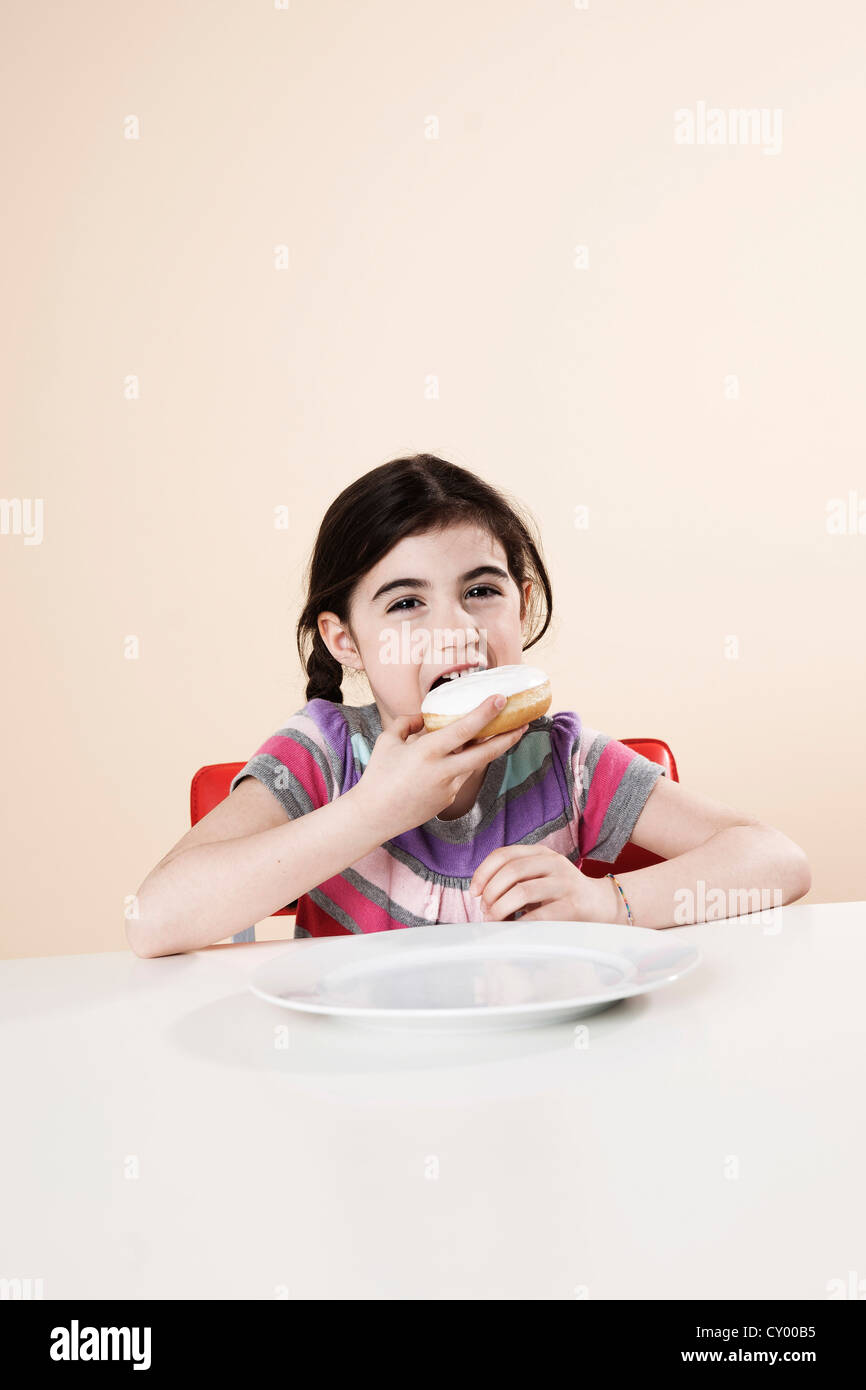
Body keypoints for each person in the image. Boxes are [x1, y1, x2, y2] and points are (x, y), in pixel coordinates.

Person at [128, 454, 810, 956]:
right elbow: (152, 919)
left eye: (481, 592)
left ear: (523, 606)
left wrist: (609, 902)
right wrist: (375, 810)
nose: (456, 629)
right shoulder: (323, 754)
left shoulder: (562, 759)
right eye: (406, 602)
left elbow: (778, 860)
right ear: (346, 641)